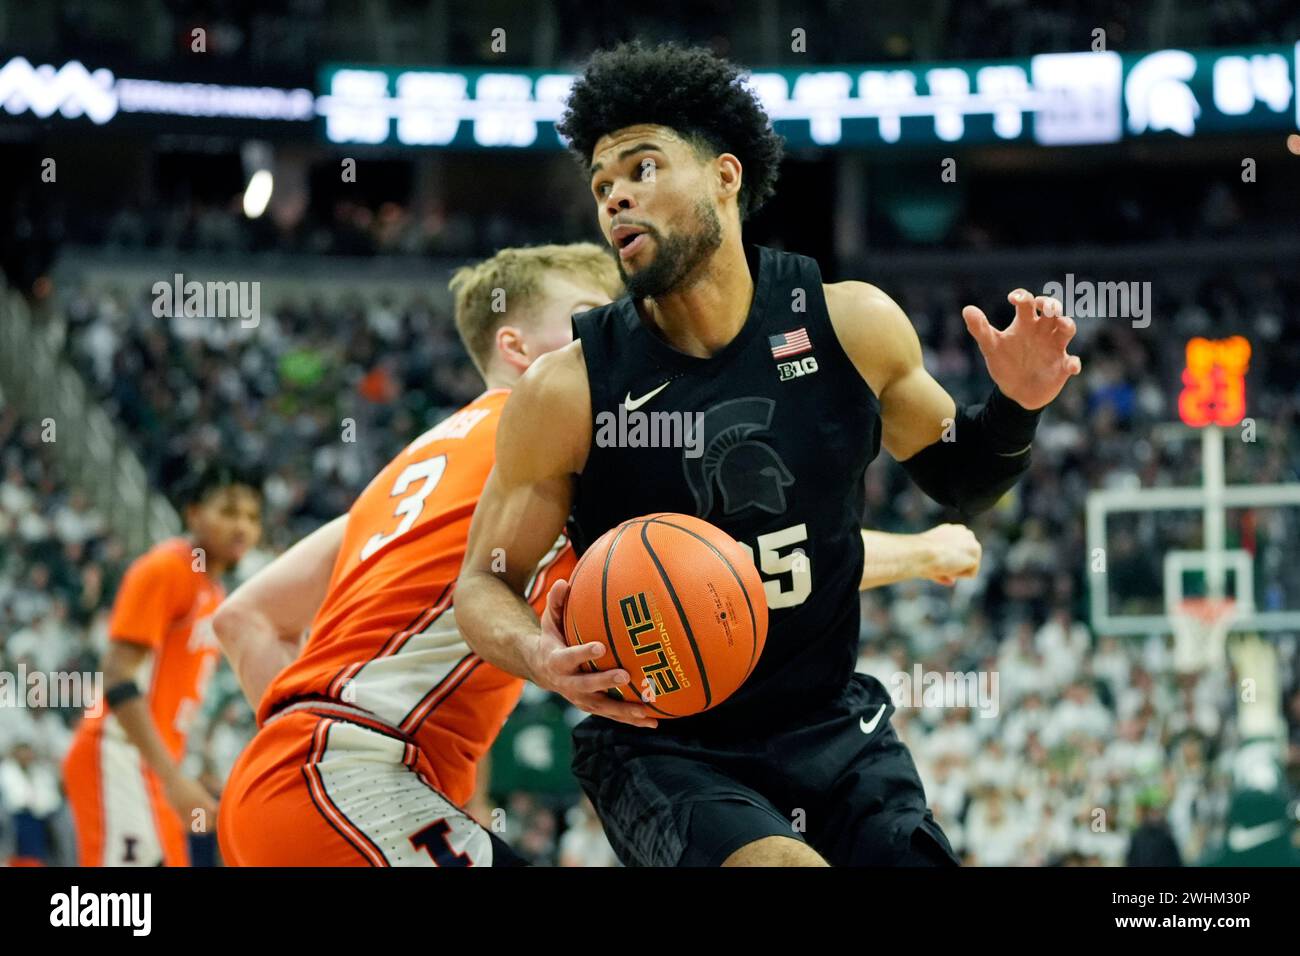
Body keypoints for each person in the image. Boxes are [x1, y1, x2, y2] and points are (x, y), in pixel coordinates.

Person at [453, 41, 1081, 867]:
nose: (617, 199)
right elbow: (481, 581)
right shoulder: (570, 390)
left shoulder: (849, 324)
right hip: (667, 746)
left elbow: (962, 479)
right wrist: (537, 650)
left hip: (829, 726)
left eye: (642, 168)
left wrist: (1016, 406)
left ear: (725, 175)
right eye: (602, 185)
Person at [213, 244, 619, 866]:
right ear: (515, 348)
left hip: (286, 789)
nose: (614, 334)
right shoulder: (555, 434)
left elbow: (243, 618)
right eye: (591, 316)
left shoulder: (399, 472)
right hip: (348, 785)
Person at [62, 463, 263, 866]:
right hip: (118, 753)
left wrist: (194, 770)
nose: (242, 526)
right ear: (192, 514)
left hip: (156, 765)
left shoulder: (214, 589)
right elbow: (117, 677)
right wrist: (173, 780)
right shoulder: (166, 568)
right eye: (227, 512)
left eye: (252, 517)